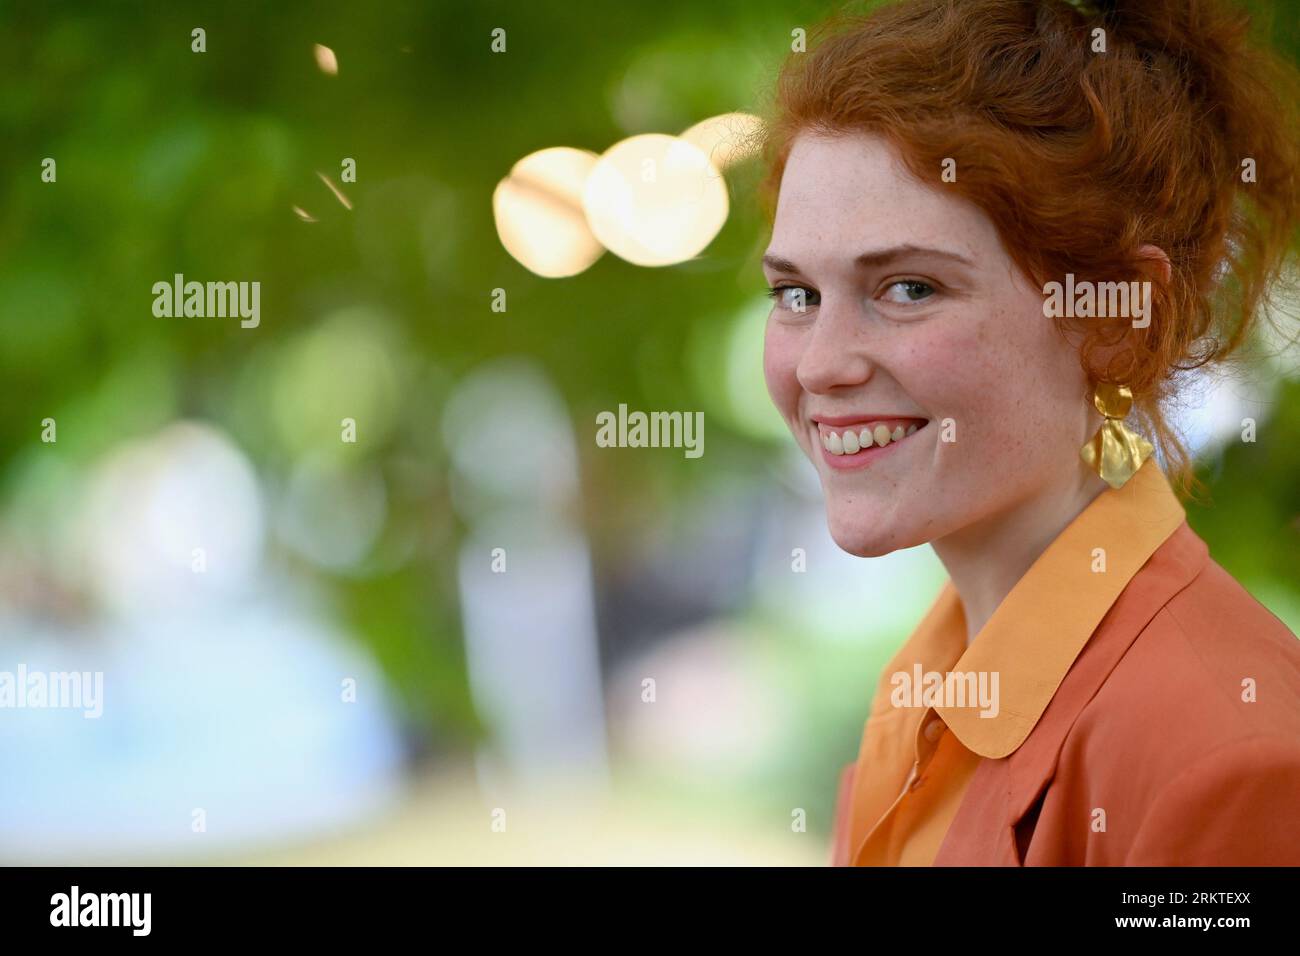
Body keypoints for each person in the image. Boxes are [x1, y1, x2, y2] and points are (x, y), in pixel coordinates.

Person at [758, 0, 1300, 864]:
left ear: (1119, 319)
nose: (820, 364)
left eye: (908, 288)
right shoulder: (927, 683)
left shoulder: (1228, 763)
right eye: (797, 295)